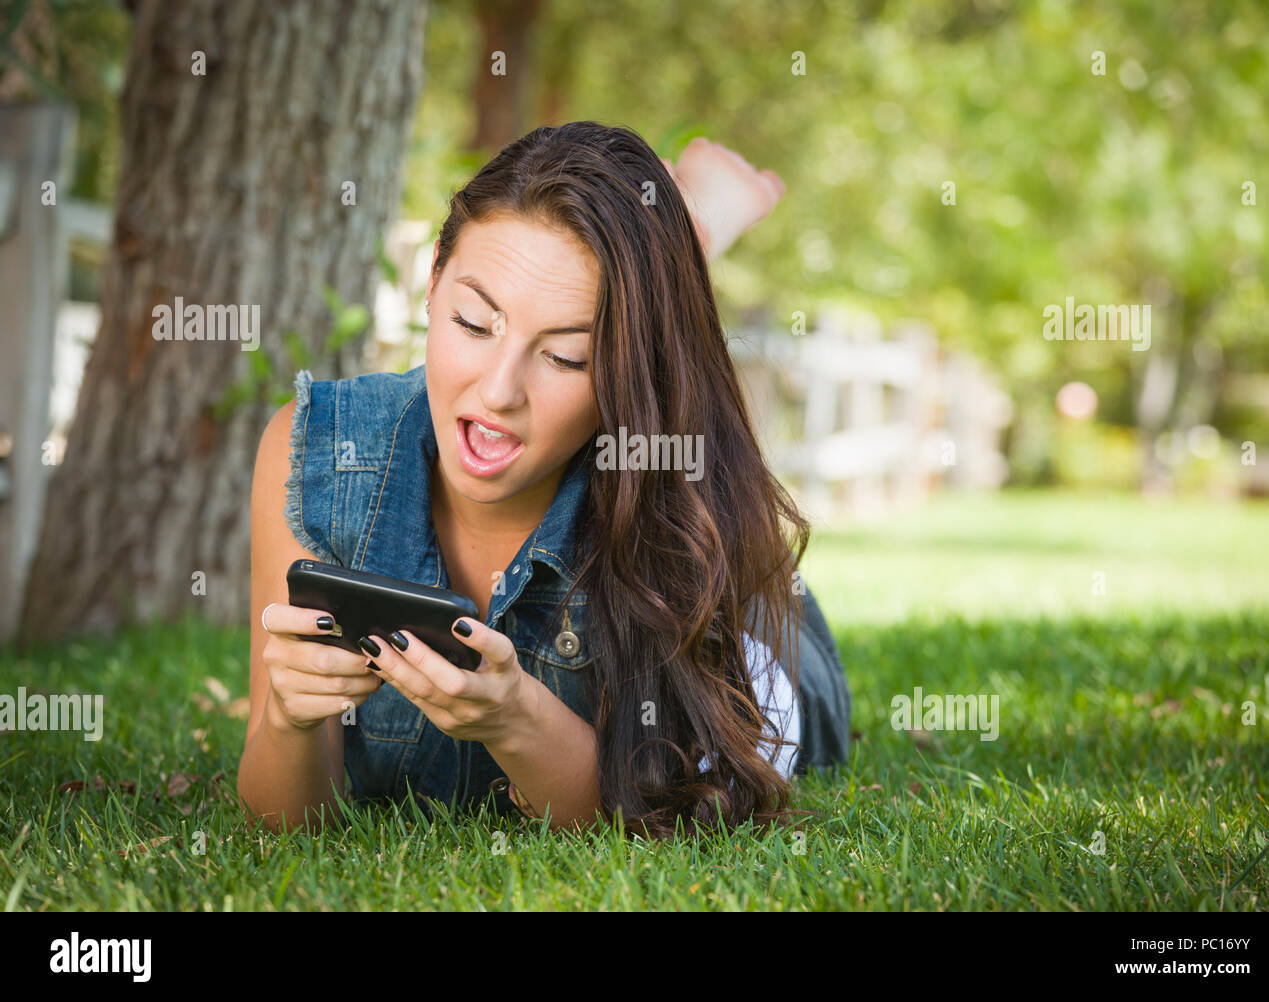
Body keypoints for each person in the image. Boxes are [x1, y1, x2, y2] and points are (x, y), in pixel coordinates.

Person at [239, 122, 851, 840]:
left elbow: (685, 808)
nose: (499, 392)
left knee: (798, 717)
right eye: (474, 322)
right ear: (434, 281)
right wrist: (288, 715)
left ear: (624, 375)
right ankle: (684, 238)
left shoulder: (680, 497)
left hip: (762, 637)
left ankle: (686, 245)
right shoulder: (316, 454)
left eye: (564, 357)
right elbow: (283, 822)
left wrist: (515, 717)